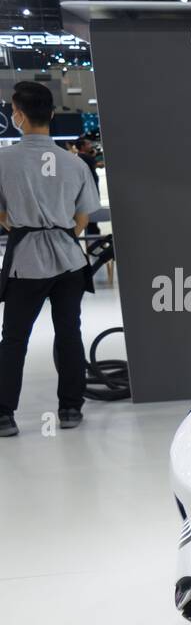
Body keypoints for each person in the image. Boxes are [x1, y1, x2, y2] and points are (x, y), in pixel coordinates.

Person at [0, 81, 100, 438]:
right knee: (69, 332)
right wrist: (59, 235)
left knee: (14, 338)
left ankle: (4, 415)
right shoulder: (74, 163)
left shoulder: (4, 159)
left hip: (25, 261)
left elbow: (2, 215)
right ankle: (70, 408)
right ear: (52, 115)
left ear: (19, 116)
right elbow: (83, 219)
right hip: (69, 261)